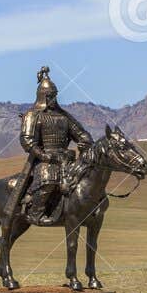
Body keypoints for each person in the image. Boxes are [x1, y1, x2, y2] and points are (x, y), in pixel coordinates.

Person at [17, 66, 92, 226]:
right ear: (43, 96)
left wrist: (85, 139)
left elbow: (79, 132)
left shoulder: (63, 116)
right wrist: (44, 155)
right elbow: (27, 140)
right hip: (45, 160)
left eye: (55, 95)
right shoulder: (33, 115)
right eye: (50, 96)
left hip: (67, 159)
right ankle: (36, 212)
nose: (53, 98)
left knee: (85, 180)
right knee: (49, 179)